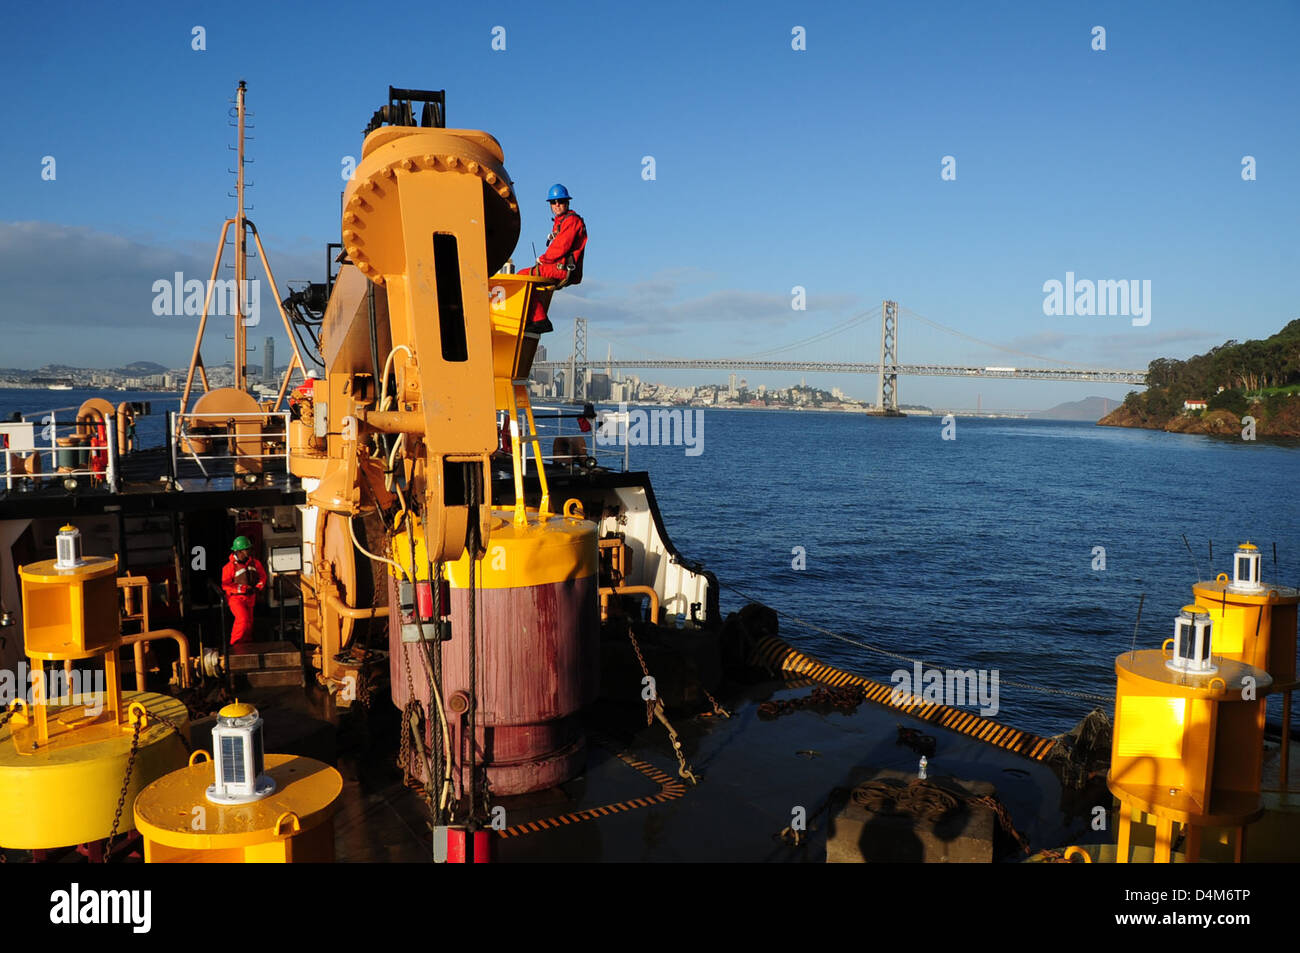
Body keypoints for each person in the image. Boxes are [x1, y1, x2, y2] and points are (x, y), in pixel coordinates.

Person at [518, 185, 588, 331]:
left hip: (563, 269)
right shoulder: (561, 221)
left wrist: (543, 260)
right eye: (553, 202)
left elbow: (561, 246)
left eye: (560, 201)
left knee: (523, 276)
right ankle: (535, 318)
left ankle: (539, 320)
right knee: (530, 281)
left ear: (567, 202)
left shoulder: (571, 221)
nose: (557, 205)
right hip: (560, 267)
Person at [221, 535, 266, 646]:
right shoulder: (229, 567)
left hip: (250, 597)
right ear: (239, 551)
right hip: (236, 599)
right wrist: (243, 589)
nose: (250, 551)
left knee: (249, 623)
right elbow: (225, 585)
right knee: (242, 620)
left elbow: (263, 577)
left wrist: (258, 587)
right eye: (247, 549)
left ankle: (247, 645)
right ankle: (235, 645)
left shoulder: (255, 563)